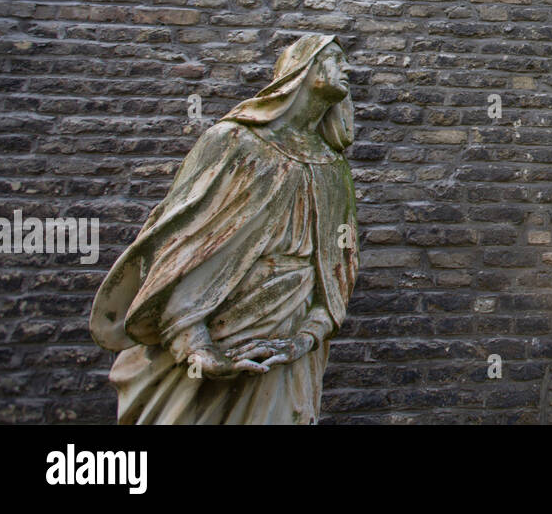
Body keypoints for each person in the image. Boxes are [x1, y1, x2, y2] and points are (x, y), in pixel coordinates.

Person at [90, 34, 358, 424]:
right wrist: (195, 346)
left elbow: (337, 273)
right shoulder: (231, 142)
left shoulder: (332, 169)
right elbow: (177, 248)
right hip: (214, 326)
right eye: (334, 58)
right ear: (301, 70)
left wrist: (304, 339)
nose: (347, 68)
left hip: (287, 340)